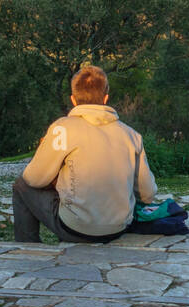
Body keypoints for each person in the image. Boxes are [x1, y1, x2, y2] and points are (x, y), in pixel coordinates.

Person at [12, 65, 156, 243]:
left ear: (73, 100)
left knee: (21, 185)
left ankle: (28, 249)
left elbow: (34, 179)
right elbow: (147, 194)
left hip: (75, 228)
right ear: (105, 98)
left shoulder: (63, 128)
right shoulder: (131, 135)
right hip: (119, 228)